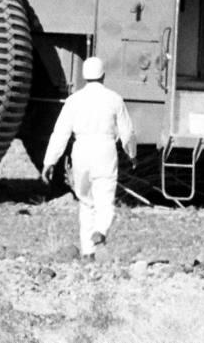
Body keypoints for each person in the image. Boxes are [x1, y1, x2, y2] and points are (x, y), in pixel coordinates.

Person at [41, 56, 136, 258]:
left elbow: (60, 133)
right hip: (105, 149)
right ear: (103, 75)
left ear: (84, 76)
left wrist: (49, 161)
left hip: (81, 150)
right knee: (105, 197)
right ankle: (100, 230)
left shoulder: (73, 100)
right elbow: (127, 132)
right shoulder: (114, 99)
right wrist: (132, 154)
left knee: (85, 202)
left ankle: (87, 252)